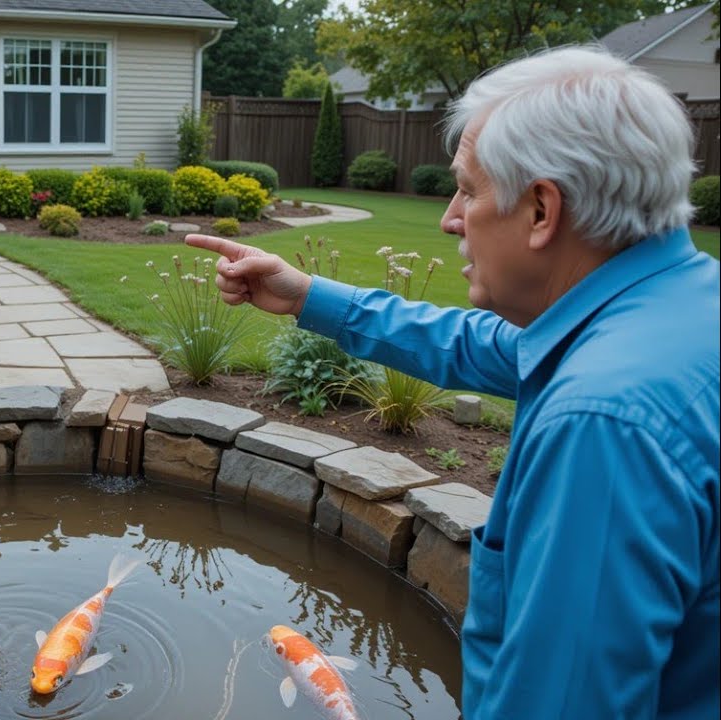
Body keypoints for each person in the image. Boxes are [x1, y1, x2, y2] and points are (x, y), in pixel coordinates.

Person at [187, 46, 719, 719]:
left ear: (541, 210)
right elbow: (478, 344)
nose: (449, 217)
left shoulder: (603, 422)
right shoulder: (675, 308)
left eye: (468, 188)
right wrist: (307, 296)